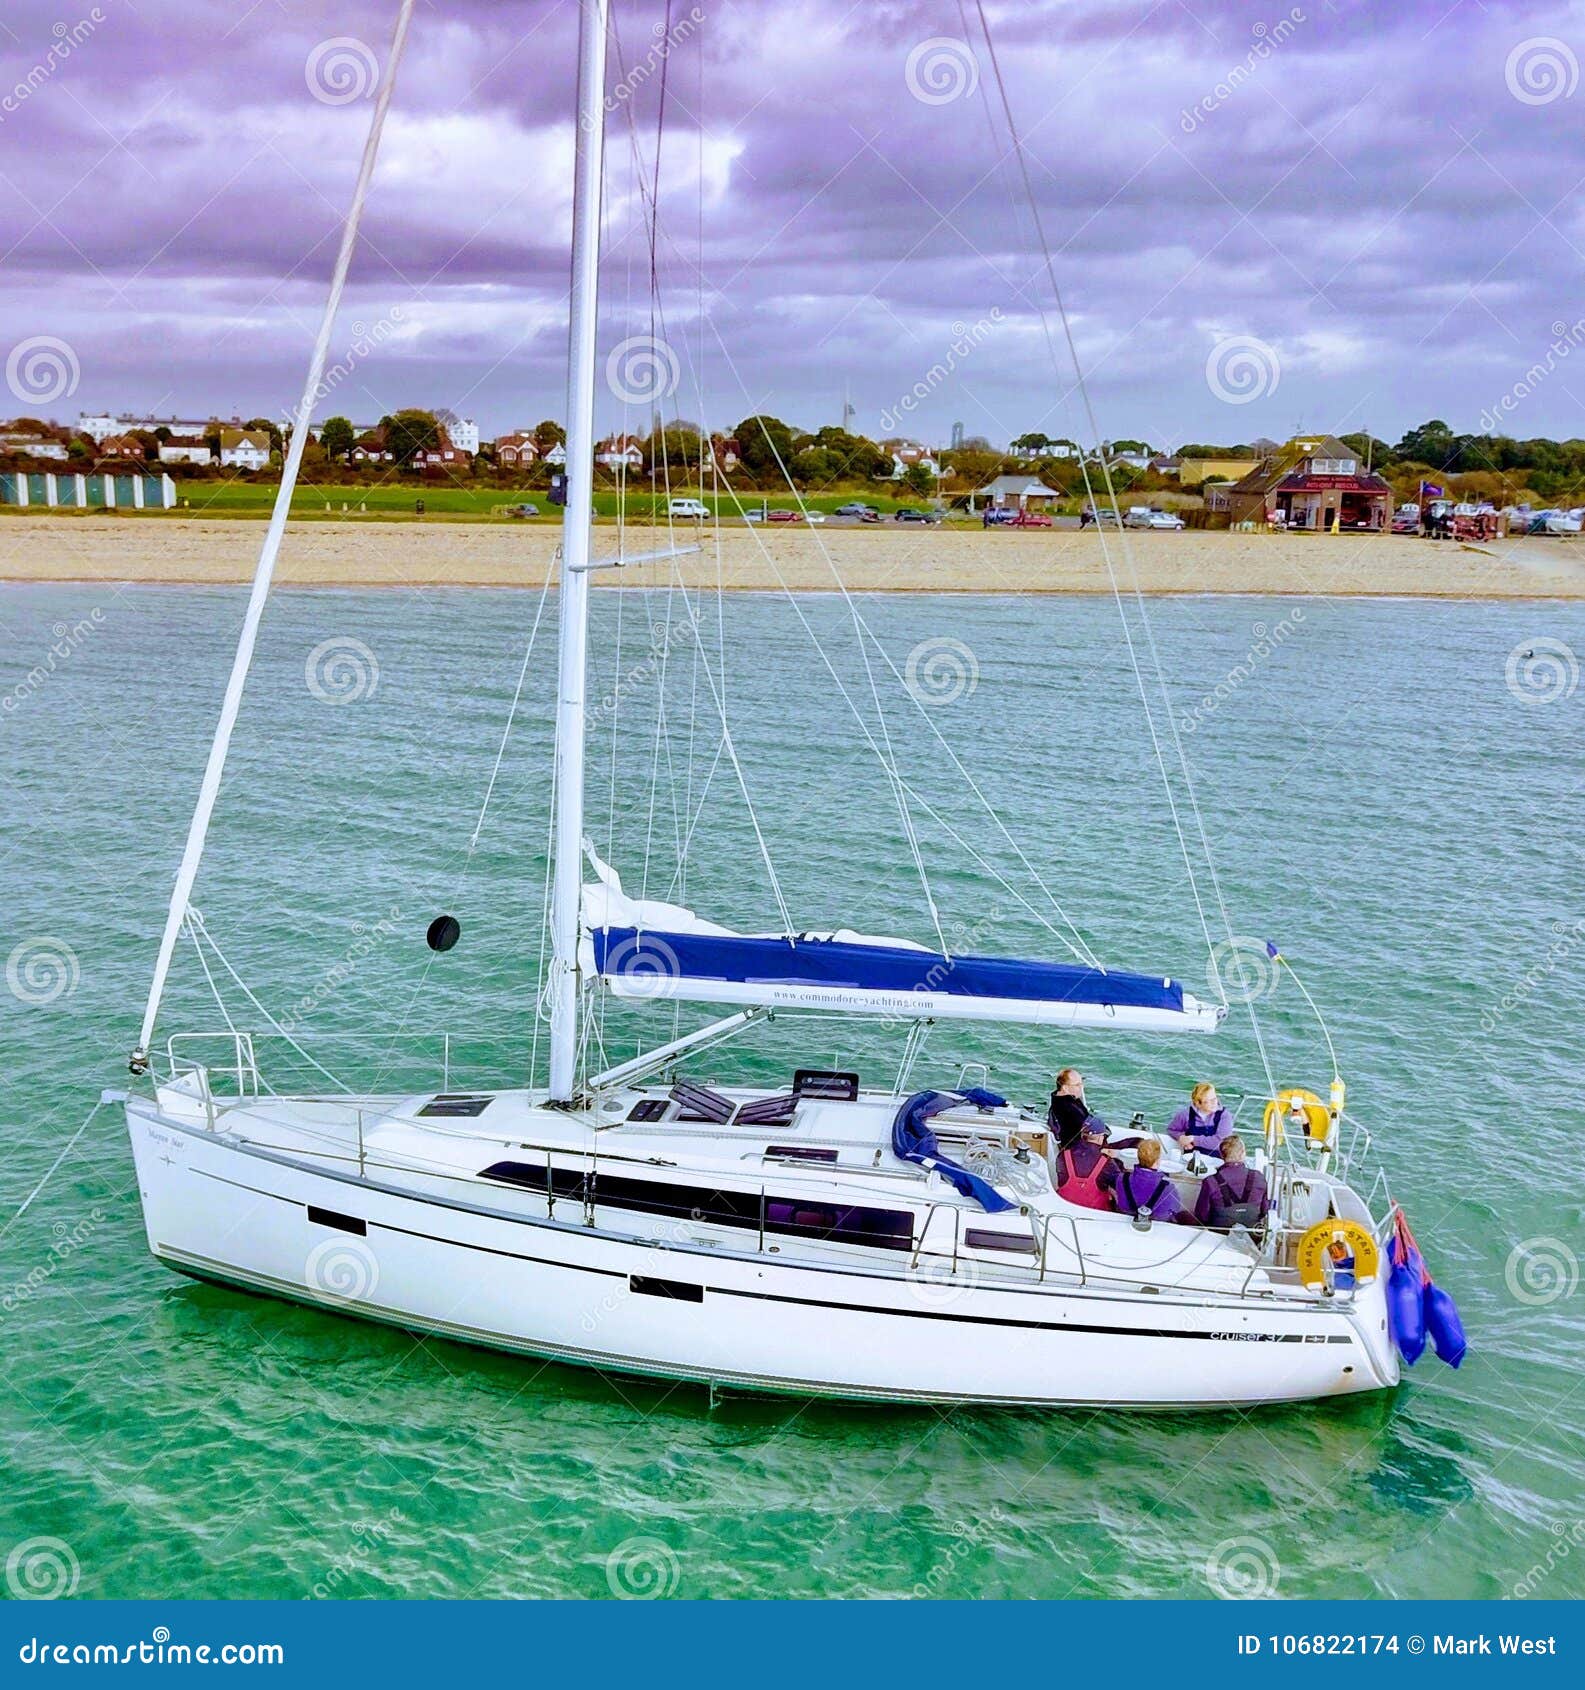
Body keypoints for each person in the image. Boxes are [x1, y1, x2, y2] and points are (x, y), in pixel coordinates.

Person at [1112, 1138, 1195, 1225]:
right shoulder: (1168, 1187)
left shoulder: (1122, 1178)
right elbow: (1175, 1209)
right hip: (1157, 1225)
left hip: (1125, 1218)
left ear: (1139, 1157)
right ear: (1158, 1160)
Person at [1194, 1134, 1269, 1229]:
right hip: (1252, 1235)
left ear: (1221, 1155)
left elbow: (1202, 1215)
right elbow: (1264, 1211)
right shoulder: (1259, 1177)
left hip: (1218, 1235)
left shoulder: (1210, 1181)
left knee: (1183, 1215)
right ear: (1242, 1153)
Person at [1054, 1120, 1117, 1211]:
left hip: (1064, 1206)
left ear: (1082, 1135)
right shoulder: (1106, 1161)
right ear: (1100, 1138)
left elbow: (1061, 1177)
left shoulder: (1063, 1155)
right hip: (1095, 1211)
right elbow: (1118, 1183)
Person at [1047, 1068, 1106, 1152]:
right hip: (1079, 1150)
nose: (1081, 1087)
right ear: (1065, 1088)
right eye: (1077, 1085)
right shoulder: (1068, 1108)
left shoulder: (1060, 1097)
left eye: (1081, 1084)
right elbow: (1091, 1129)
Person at [1167, 1082, 1234, 1155]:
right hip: (1191, 1159)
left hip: (1218, 1160)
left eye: (1214, 1098)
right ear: (1198, 1104)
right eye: (1208, 1101)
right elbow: (1171, 1130)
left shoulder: (1224, 1116)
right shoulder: (1185, 1115)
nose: (1214, 1102)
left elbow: (1222, 1143)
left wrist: (1193, 1139)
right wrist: (1181, 1138)